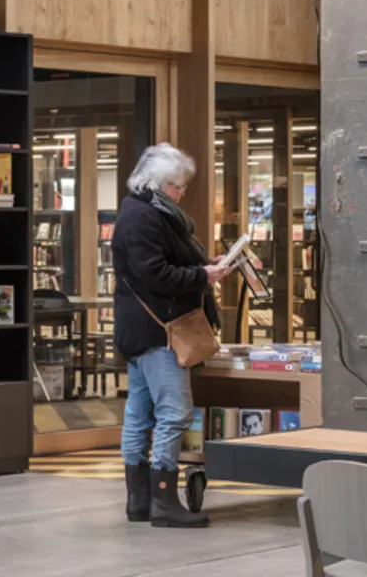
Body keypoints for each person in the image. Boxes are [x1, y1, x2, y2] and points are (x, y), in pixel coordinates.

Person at [112, 143, 231, 529]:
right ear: (161, 185)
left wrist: (204, 266)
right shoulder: (144, 216)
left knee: (140, 413)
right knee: (174, 413)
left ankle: (140, 501)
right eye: (179, 186)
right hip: (159, 331)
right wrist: (202, 276)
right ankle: (163, 498)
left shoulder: (147, 211)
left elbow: (164, 263)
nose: (182, 194)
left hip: (143, 330)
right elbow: (155, 274)